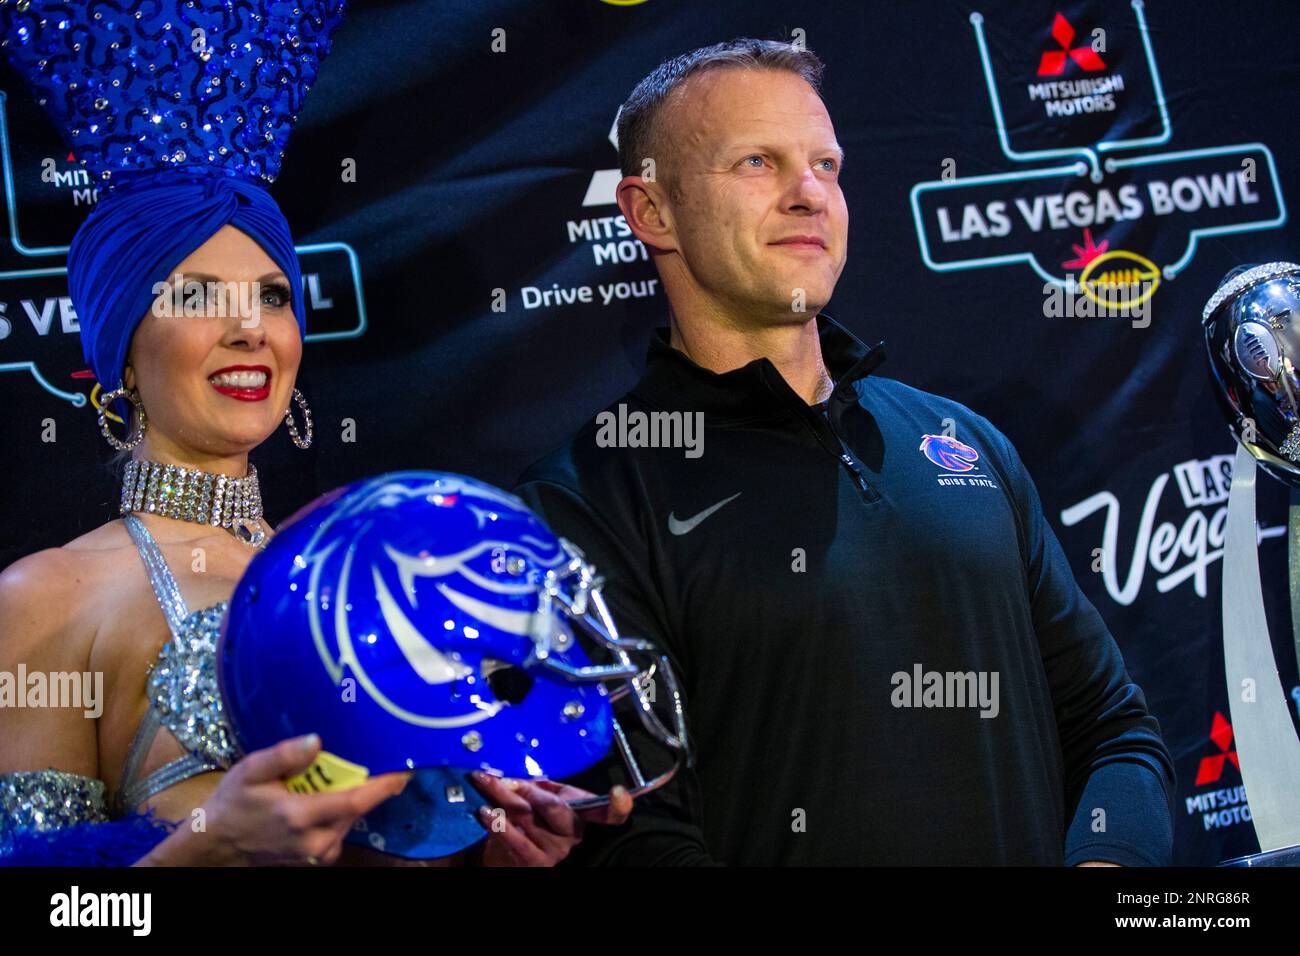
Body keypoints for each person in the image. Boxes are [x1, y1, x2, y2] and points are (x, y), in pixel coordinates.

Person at [516, 38, 1176, 866]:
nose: (808, 195)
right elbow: (632, 842)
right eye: (758, 162)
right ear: (651, 212)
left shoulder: (964, 444)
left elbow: (1115, 731)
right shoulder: (582, 502)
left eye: (826, 165)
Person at [0, 0, 628, 867]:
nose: (250, 328)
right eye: (197, 296)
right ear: (122, 352)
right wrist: (209, 846)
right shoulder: (46, 599)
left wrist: (498, 852)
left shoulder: (370, 566)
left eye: (271, 295)